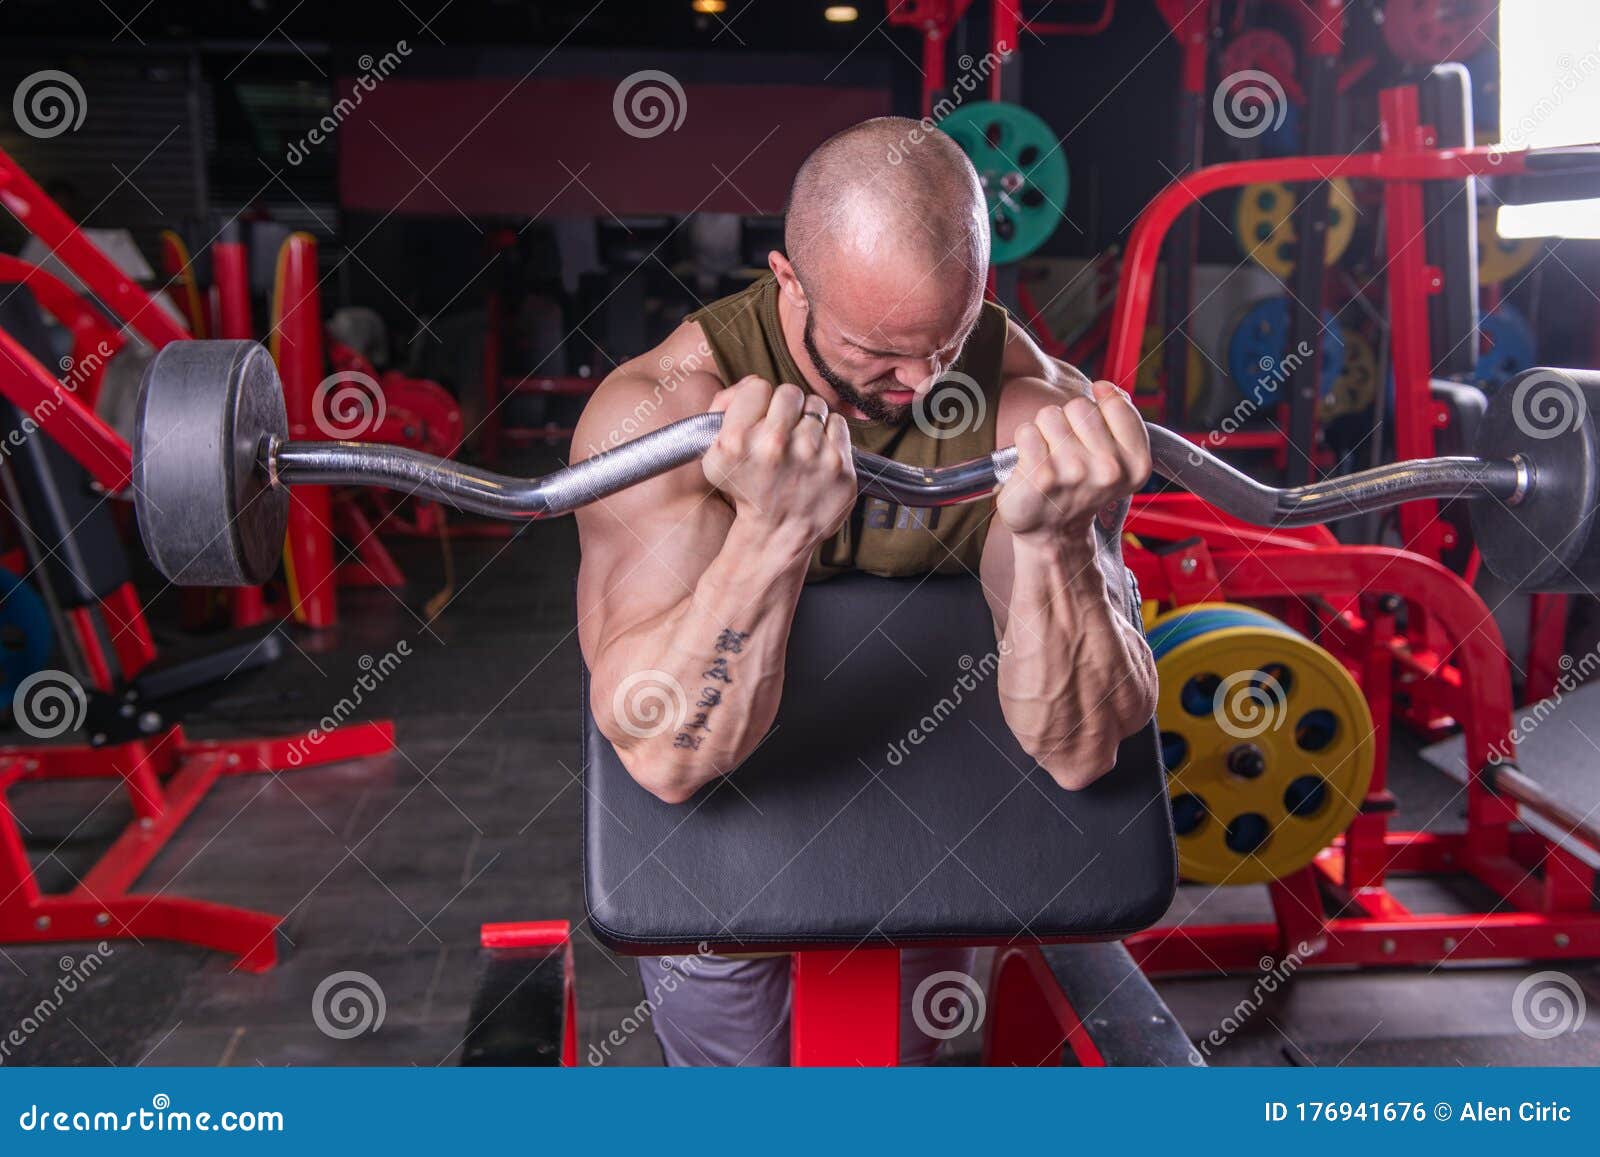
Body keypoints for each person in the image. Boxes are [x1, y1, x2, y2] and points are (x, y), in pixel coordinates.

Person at [571, 116, 1156, 1066]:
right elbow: (667, 758)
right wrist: (772, 531)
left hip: (941, 818)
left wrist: (1053, 541)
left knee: (915, 1087)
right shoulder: (661, 412)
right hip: (719, 829)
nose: (923, 384)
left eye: (948, 338)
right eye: (877, 350)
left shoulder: (1032, 412)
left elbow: (1083, 751)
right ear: (788, 281)